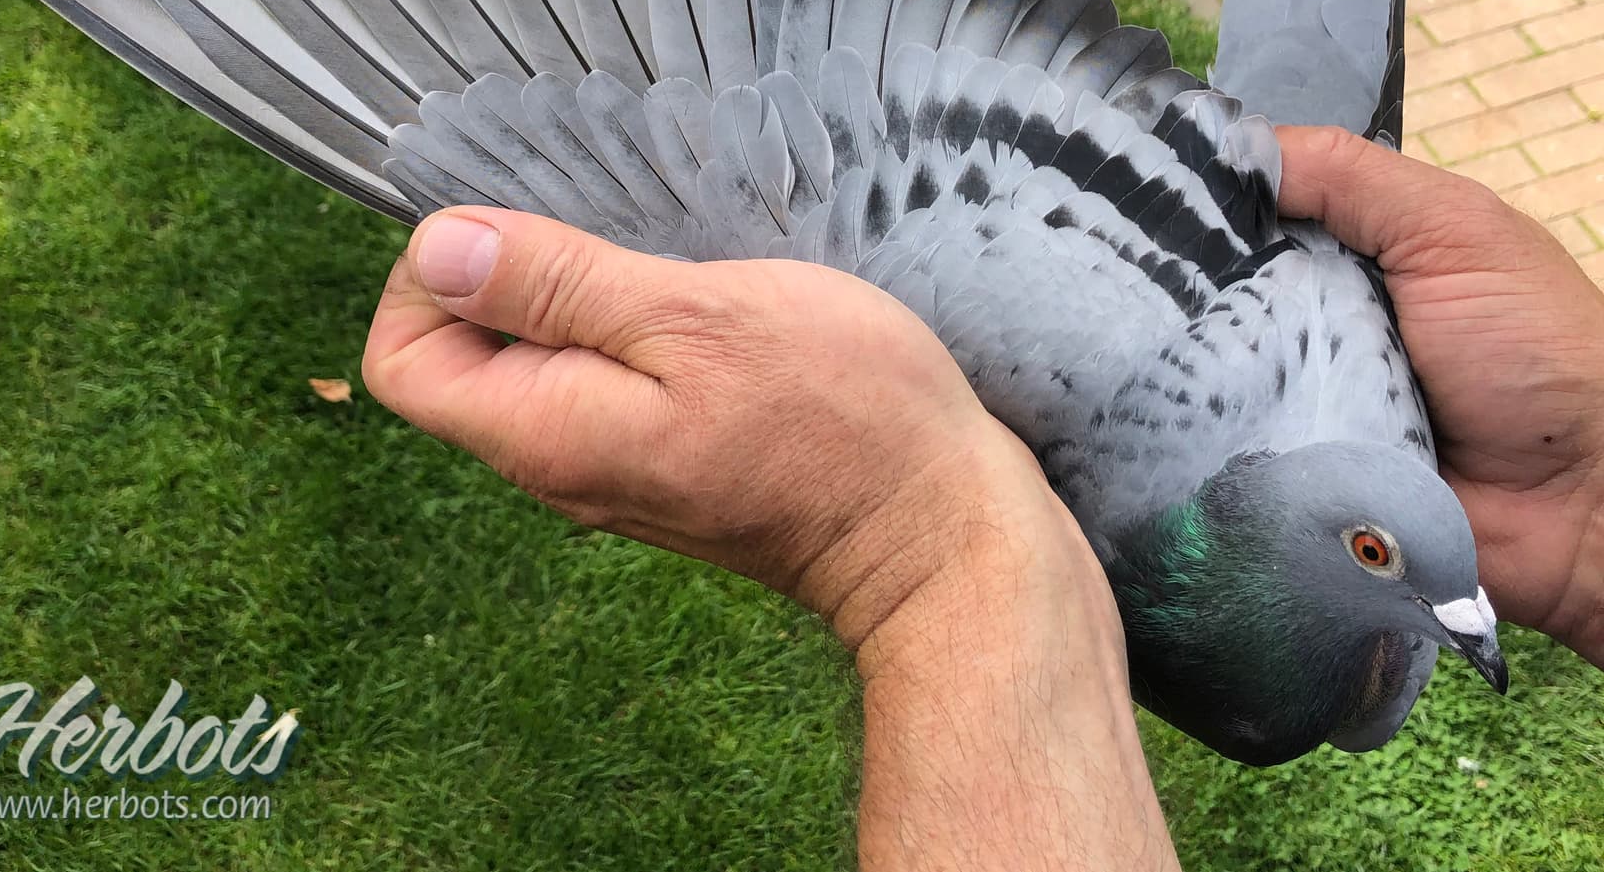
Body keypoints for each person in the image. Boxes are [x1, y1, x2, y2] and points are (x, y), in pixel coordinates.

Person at [361, 125, 1604, 872]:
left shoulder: (1371, 666)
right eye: (1385, 554)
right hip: (1255, 282)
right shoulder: (1153, 458)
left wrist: (907, 547)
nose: (1461, 623)